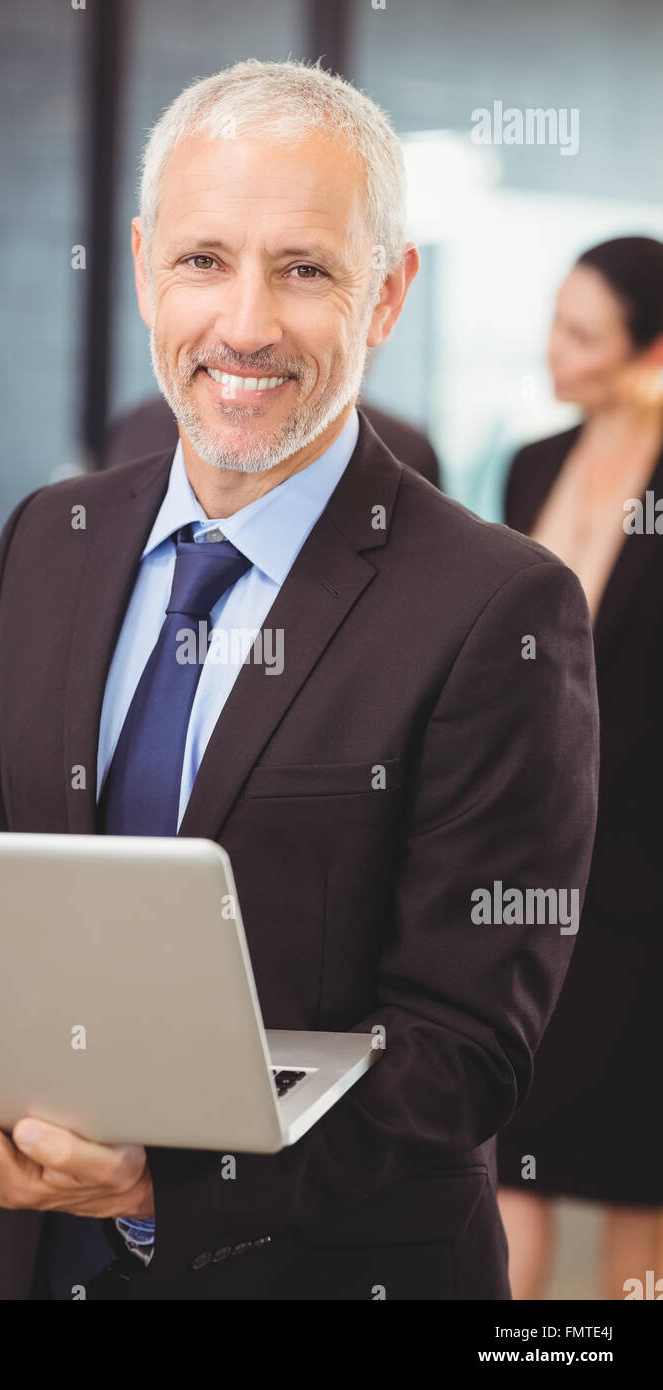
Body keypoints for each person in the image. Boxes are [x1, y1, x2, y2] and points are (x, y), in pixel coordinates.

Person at [0, 58, 599, 1301]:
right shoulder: (50, 539)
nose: (244, 323)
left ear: (386, 294)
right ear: (145, 265)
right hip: (41, 1264)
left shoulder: (495, 607)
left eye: (303, 268)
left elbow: (463, 1050)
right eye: (204, 259)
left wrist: (162, 1185)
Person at [497, 236, 663, 1300]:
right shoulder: (530, 462)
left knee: (632, 1180)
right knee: (503, 1153)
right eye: (554, 321)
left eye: (582, 335)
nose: (552, 351)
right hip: (522, 870)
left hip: (641, 885)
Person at [104, 393, 442, 487]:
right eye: (203, 262)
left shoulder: (406, 448)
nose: (245, 333)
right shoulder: (141, 425)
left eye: (307, 272)